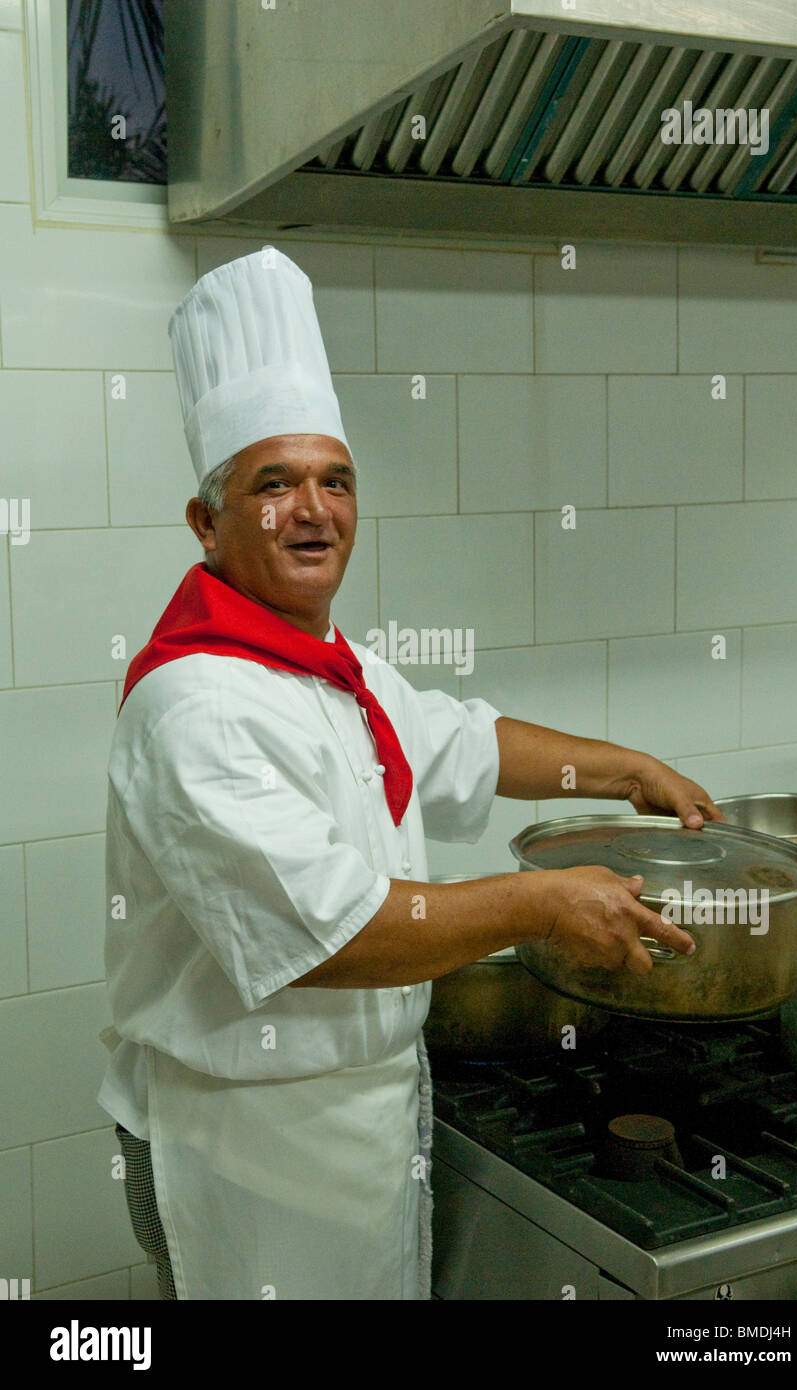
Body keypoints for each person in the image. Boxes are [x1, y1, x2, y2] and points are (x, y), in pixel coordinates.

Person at [97, 247, 723, 1300]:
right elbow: (327, 931)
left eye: (334, 480)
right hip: (247, 1145)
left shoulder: (324, 661)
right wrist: (539, 903)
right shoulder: (195, 702)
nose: (313, 509)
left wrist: (624, 769)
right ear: (206, 522)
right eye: (273, 484)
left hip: (364, 1118)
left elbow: (458, 740)